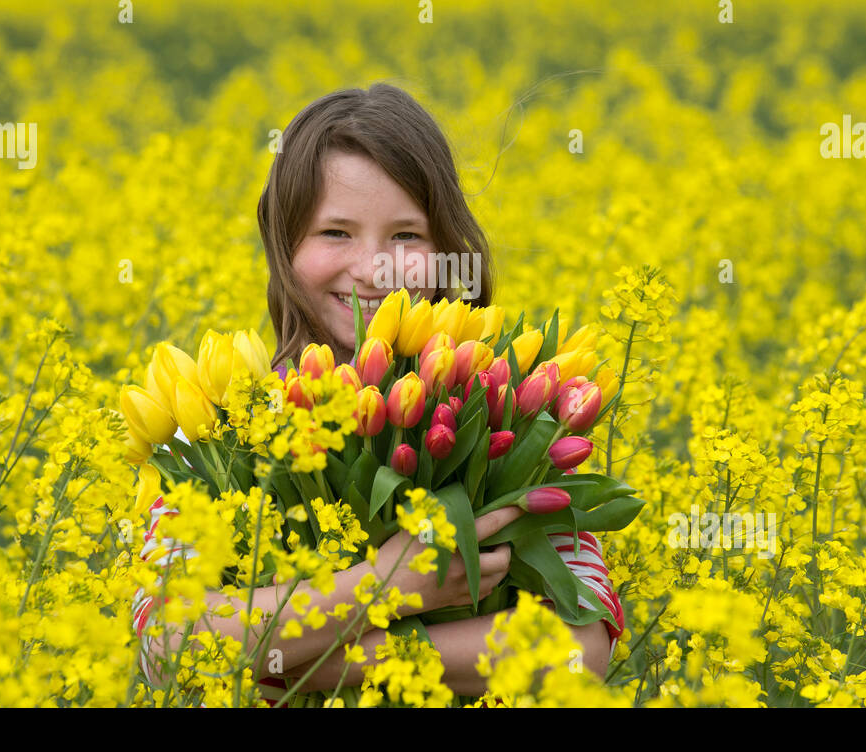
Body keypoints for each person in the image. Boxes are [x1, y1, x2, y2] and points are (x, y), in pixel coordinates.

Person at [132, 83, 624, 705]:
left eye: (406, 237)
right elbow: (169, 644)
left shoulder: (506, 409)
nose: (373, 269)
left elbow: (581, 652)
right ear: (283, 244)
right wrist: (387, 583)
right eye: (335, 232)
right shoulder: (209, 423)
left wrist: (297, 662)